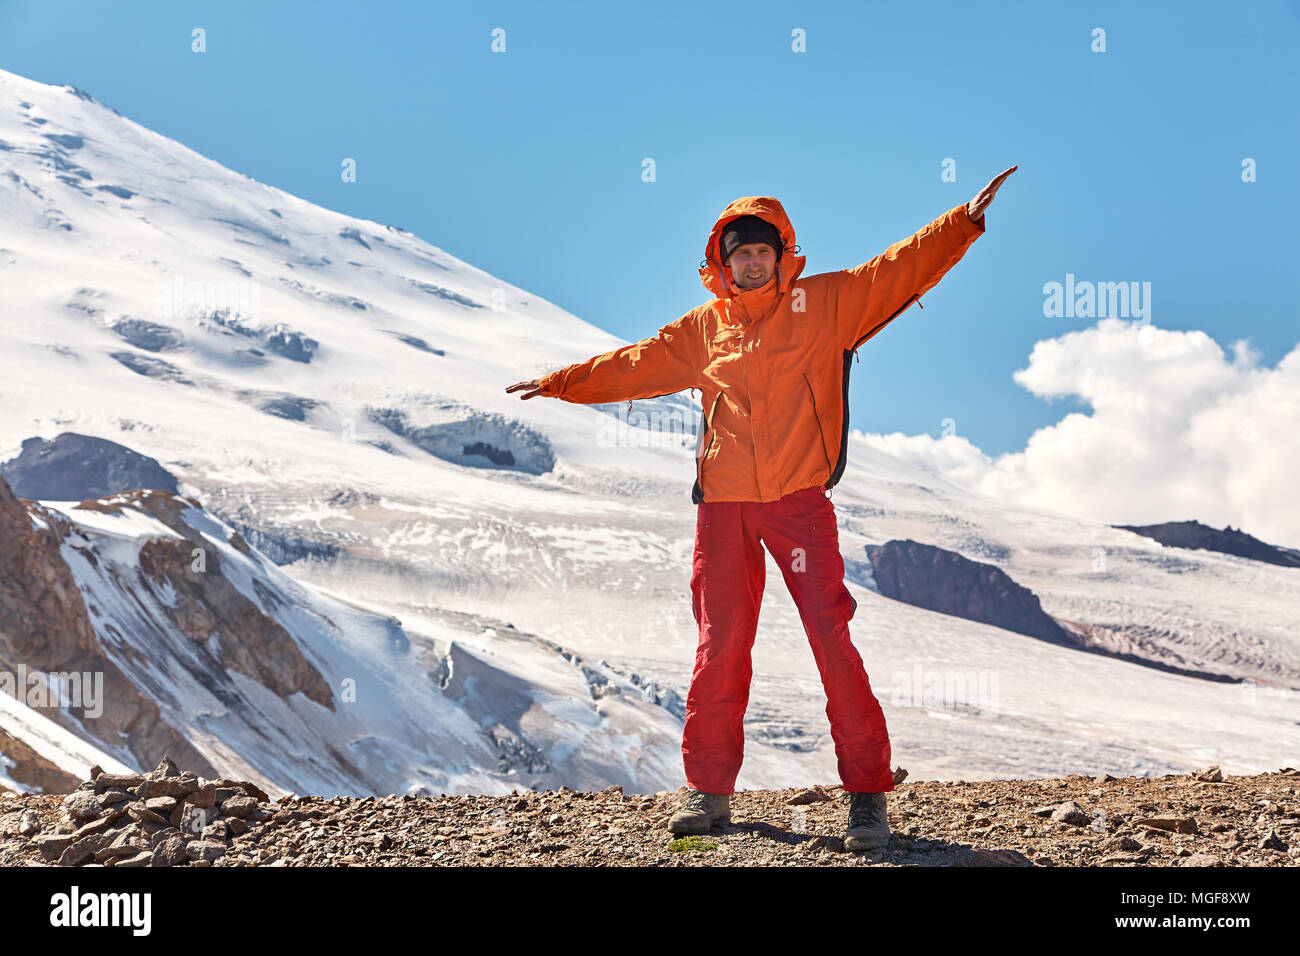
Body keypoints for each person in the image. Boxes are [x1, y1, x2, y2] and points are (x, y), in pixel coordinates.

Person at [508, 167, 1015, 850]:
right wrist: (560, 383)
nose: (752, 262)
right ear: (722, 261)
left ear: (782, 256)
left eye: (763, 251)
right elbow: (634, 364)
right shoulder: (700, 331)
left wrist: (962, 221)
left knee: (831, 640)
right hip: (722, 509)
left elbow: (896, 271)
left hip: (798, 504)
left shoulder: (826, 304)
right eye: (740, 252)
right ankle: (709, 794)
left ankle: (867, 795)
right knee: (719, 647)